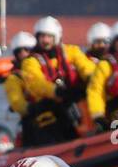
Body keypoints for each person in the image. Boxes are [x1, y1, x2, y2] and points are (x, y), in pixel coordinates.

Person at [17, 17, 96, 146]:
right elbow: (36, 83)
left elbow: (85, 66)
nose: (45, 40)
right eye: (42, 36)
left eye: (49, 36)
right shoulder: (30, 61)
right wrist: (56, 91)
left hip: (73, 100)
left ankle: (92, 136)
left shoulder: (72, 52)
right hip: (48, 105)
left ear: (56, 37)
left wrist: (90, 77)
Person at [2, 31, 36, 125]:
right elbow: (16, 100)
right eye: (19, 51)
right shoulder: (14, 77)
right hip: (32, 118)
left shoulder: (44, 67)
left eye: (26, 50)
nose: (23, 53)